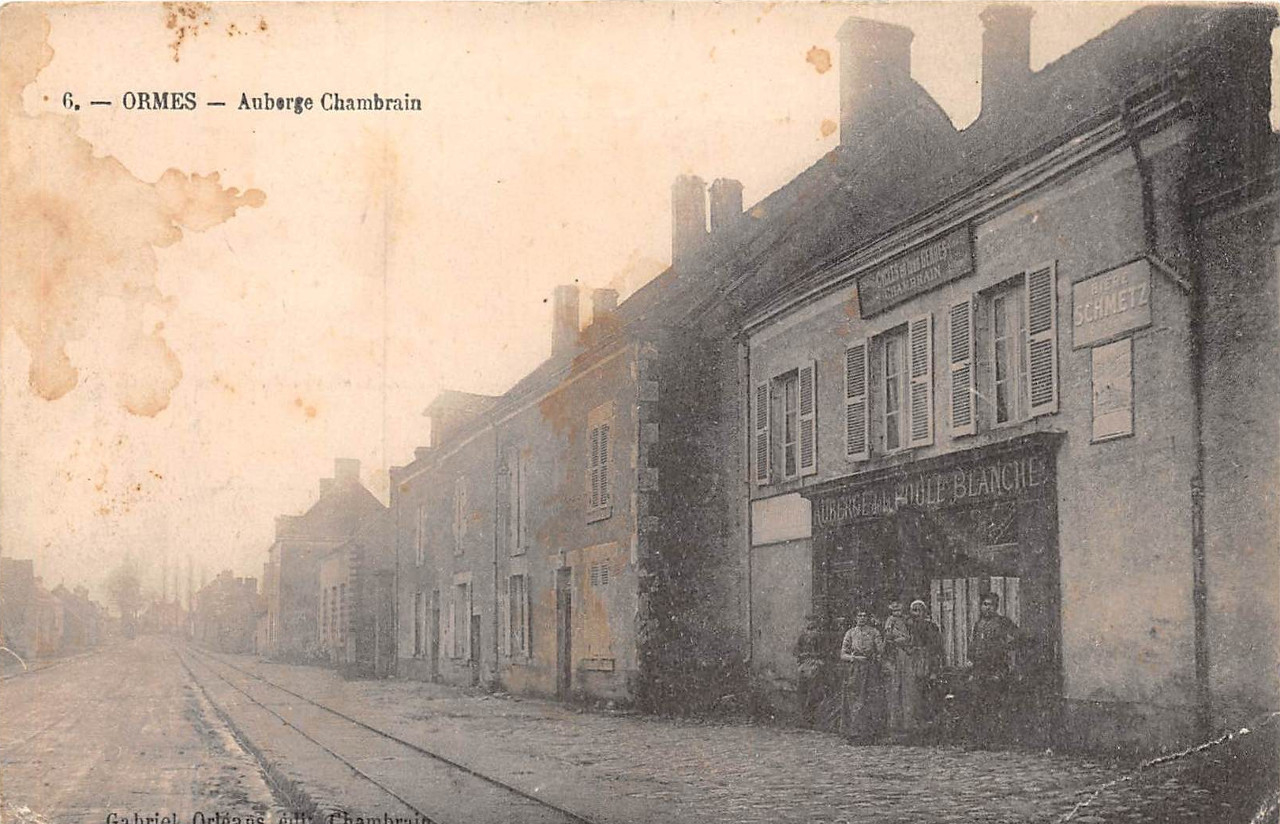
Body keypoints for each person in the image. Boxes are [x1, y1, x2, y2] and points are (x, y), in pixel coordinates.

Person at [967, 592, 1023, 745]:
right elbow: (974, 644)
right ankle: (978, 740)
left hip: (996, 668)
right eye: (985, 604)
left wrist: (1005, 647)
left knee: (994, 703)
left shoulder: (1003, 622)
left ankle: (995, 740)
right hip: (979, 669)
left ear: (996, 607)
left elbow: (1019, 636)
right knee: (978, 703)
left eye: (990, 605)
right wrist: (971, 659)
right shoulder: (978, 624)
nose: (987, 608)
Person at [839, 609, 884, 742]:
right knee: (855, 700)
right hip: (855, 670)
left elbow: (880, 651)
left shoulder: (874, 632)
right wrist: (855, 658)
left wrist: (876, 656)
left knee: (871, 699)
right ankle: (855, 732)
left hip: (871, 670)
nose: (862, 618)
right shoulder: (850, 633)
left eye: (865, 616)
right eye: (860, 616)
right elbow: (843, 654)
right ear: (855, 618)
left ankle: (870, 733)